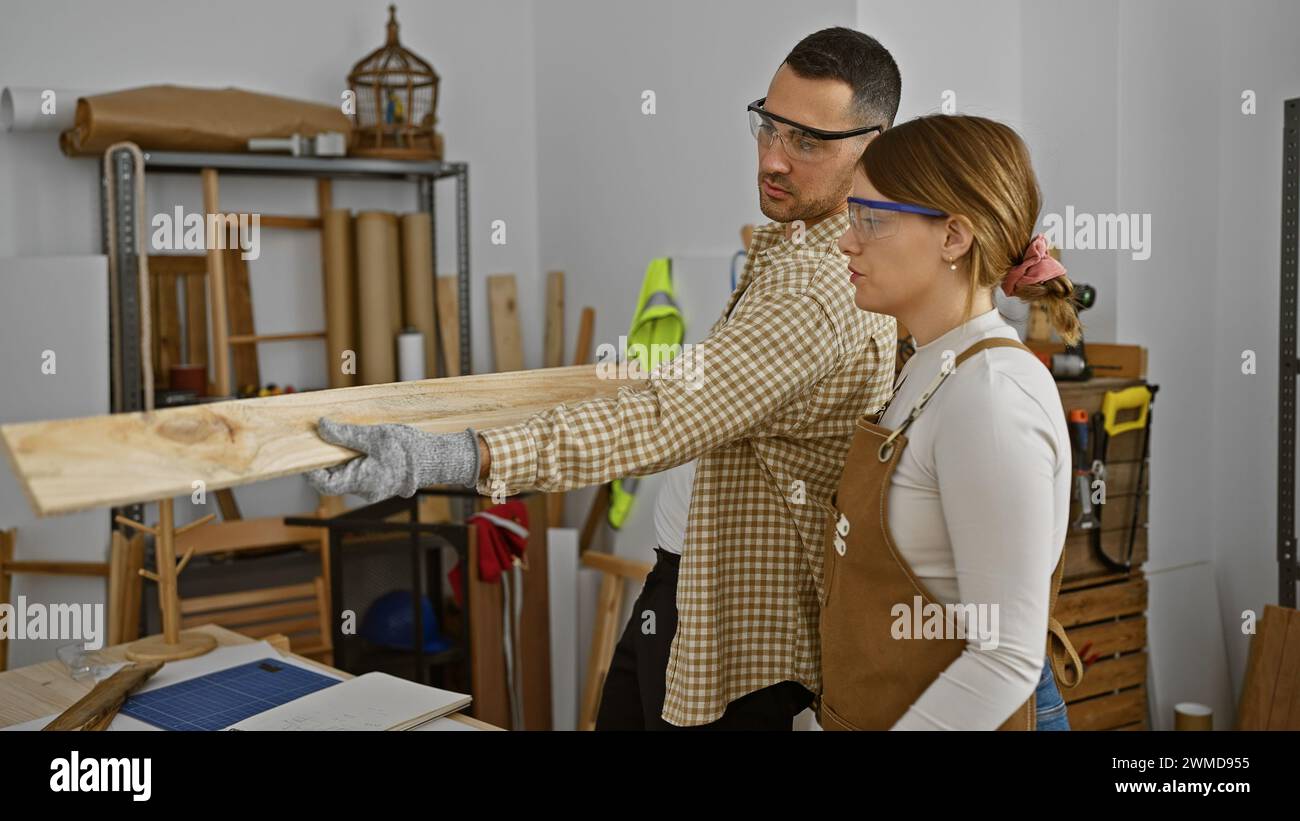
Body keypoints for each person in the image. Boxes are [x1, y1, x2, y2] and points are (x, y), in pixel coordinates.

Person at [306, 26, 901, 729]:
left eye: (805, 141)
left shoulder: (812, 290)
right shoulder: (798, 250)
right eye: (767, 126)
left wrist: (447, 456)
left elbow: (663, 420)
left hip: (735, 617)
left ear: (873, 148)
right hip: (685, 580)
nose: (772, 158)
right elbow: (699, 395)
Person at [822, 113, 1084, 730]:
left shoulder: (992, 397)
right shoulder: (930, 366)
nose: (846, 241)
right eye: (852, 216)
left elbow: (1005, 657)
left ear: (953, 237)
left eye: (873, 219)